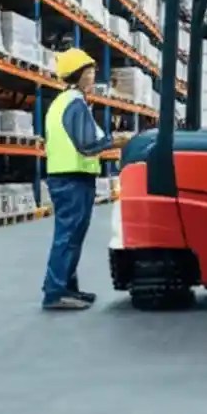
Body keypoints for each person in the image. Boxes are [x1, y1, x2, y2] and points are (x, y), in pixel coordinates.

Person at [41, 47, 131, 311]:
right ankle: (56, 292)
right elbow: (87, 143)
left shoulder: (65, 102)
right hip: (72, 178)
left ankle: (67, 288)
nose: (92, 77)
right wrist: (117, 140)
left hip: (68, 176)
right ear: (76, 75)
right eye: (88, 72)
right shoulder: (74, 103)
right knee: (68, 235)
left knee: (71, 235)